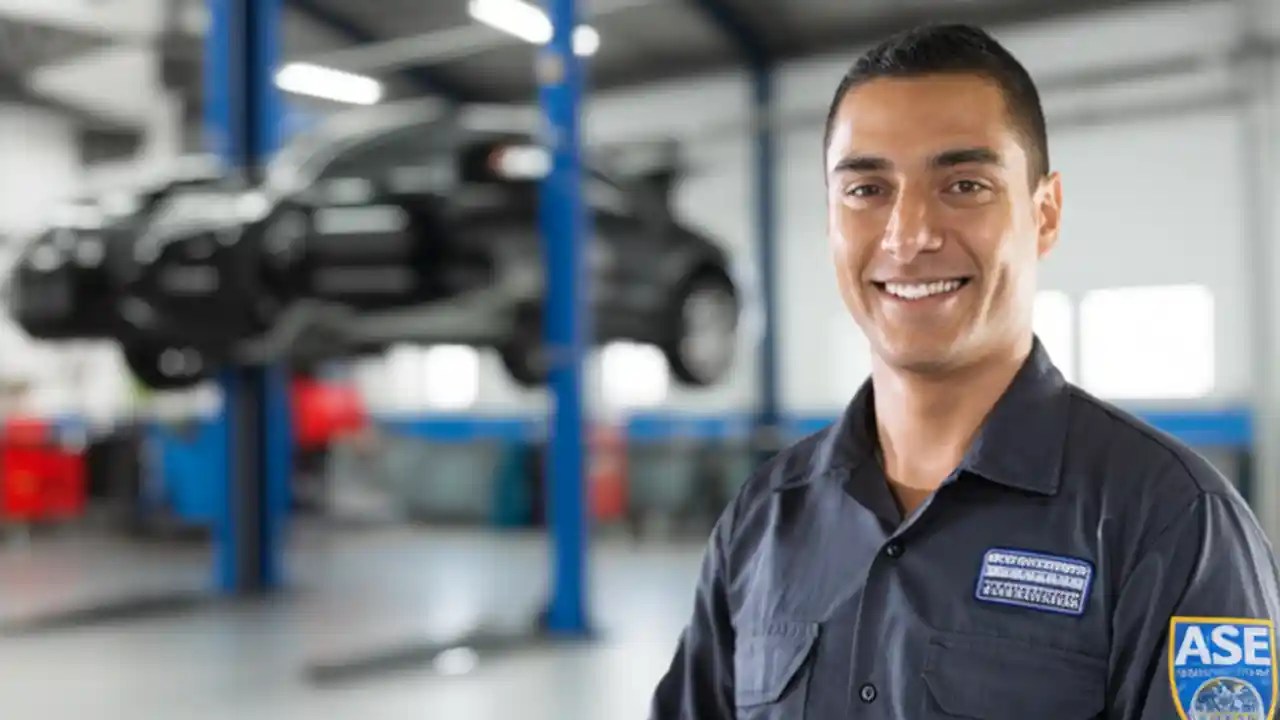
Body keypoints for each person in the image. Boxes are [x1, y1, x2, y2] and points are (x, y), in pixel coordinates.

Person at [648, 23, 1280, 719]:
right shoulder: (764, 519)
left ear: (1045, 214)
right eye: (866, 190)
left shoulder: (1173, 524)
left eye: (965, 184)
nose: (909, 235)